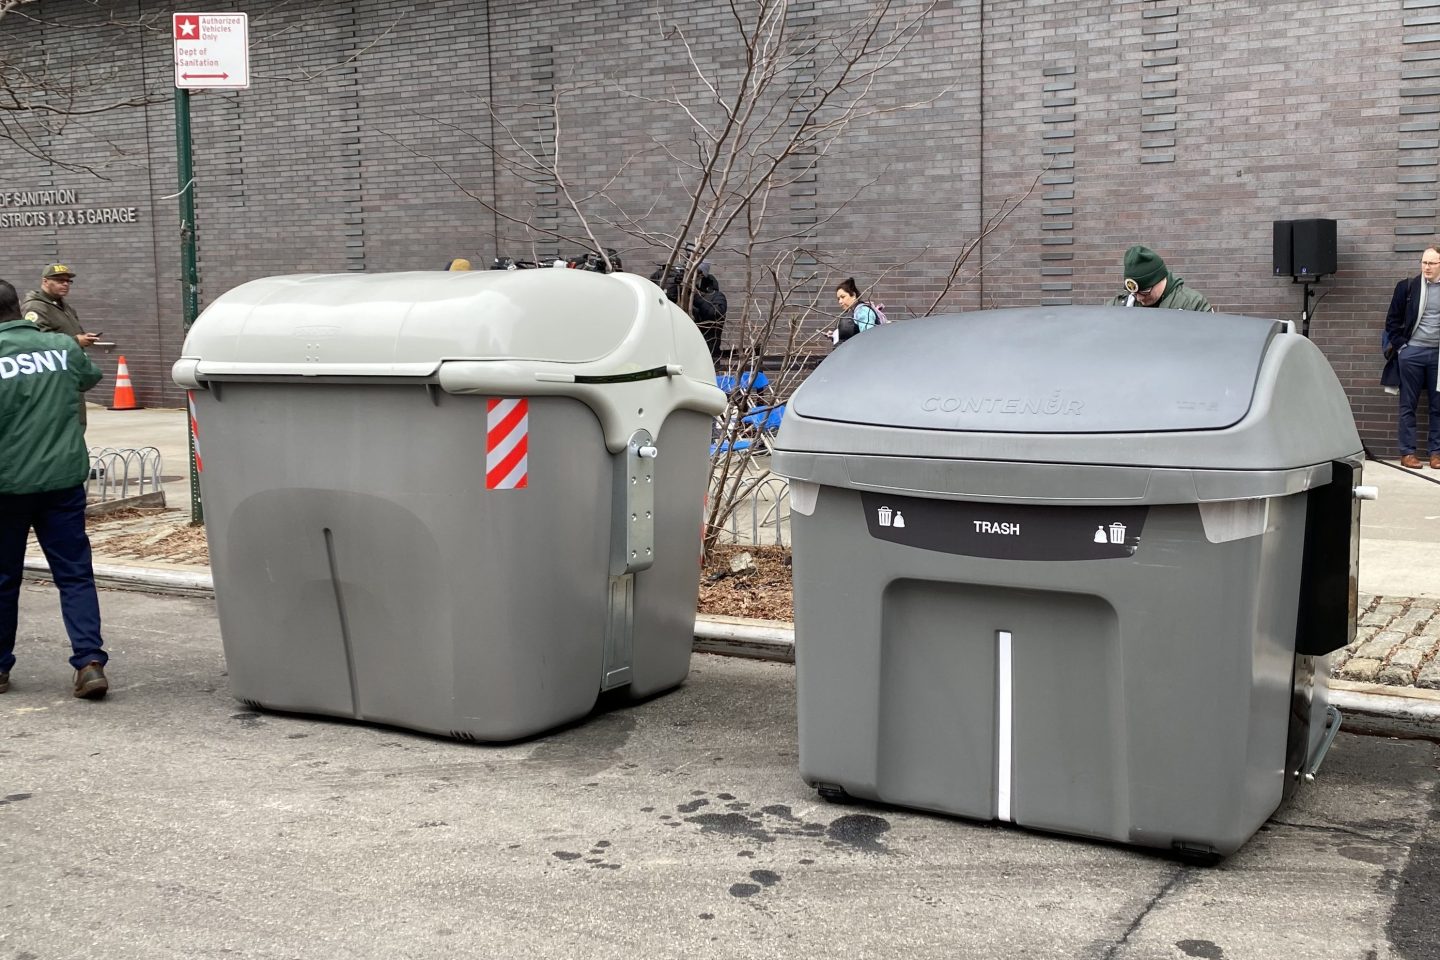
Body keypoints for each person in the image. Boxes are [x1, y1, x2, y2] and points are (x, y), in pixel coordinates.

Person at [0, 278, 110, 698]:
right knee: (74, 573)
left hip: (7, 485)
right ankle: (89, 662)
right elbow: (88, 377)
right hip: (62, 480)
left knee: (4, 578)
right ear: (16, 307)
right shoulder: (62, 348)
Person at [22, 264, 99, 428]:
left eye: (68, 281)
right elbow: (36, 340)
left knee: (77, 422)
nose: (65, 284)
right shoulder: (36, 307)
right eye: (59, 280)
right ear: (45, 281)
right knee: (64, 425)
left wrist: (83, 338)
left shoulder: (65, 307)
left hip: (70, 370)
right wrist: (76, 341)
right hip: (53, 376)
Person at [1383, 246, 1440, 468]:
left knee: (1438, 406)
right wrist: (1402, 348)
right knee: (1408, 404)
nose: (1426, 267)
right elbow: (1392, 322)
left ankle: (1436, 453)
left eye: (1432, 263)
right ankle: (1407, 453)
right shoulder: (1406, 287)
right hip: (1412, 353)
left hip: (1438, 354)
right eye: (1424, 262)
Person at [1108, 245, 1213, 312]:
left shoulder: (1193, 305)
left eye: (1145, 291)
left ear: (1160, 279)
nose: (1139, 298)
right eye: (1134, 292)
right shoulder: (1119, 306)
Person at [834, 277, 880, 343]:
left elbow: (868, 337)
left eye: (843, 297)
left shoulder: (863, 311)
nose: (840, 301)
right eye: (838, 299)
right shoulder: (853, 312)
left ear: (853, 295)